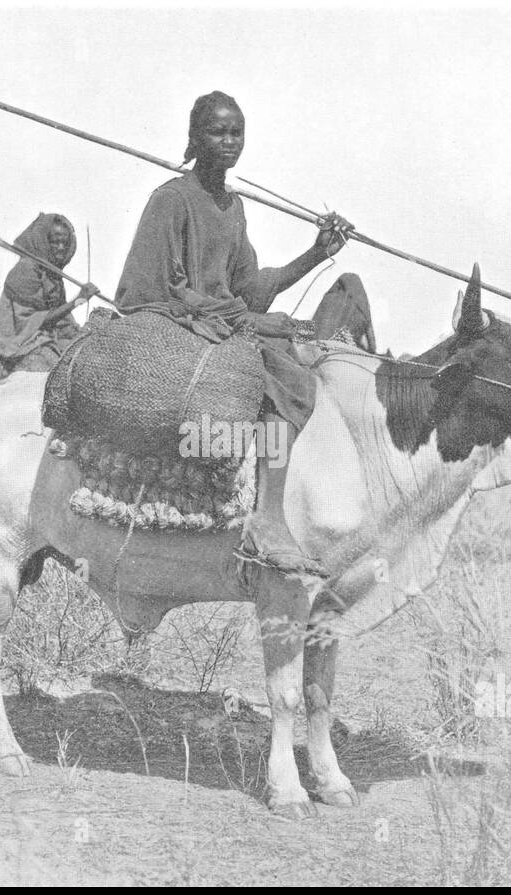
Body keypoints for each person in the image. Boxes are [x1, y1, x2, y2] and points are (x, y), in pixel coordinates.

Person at [114, 90, 356, 577]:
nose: (228, 141)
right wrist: (244, 320)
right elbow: (153, 287)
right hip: (172, 319)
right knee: (281, 375)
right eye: (216, 131)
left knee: (295, 361)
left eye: (236, 132)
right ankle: (267, 518)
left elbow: (249, 288)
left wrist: (317, 252)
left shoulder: (234, 207)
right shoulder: (171, 200)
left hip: (220, 322)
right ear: (193, 138)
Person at [0, 213, 98, 372]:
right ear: (44, 241)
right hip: (19, 337)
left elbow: (61, 317)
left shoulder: (53, 273)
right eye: (55, 242)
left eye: (65, 243)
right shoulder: (25, 270)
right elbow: (33, 321)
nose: (61, 248)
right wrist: (77, 301)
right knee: (53, 368)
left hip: (45, 333)